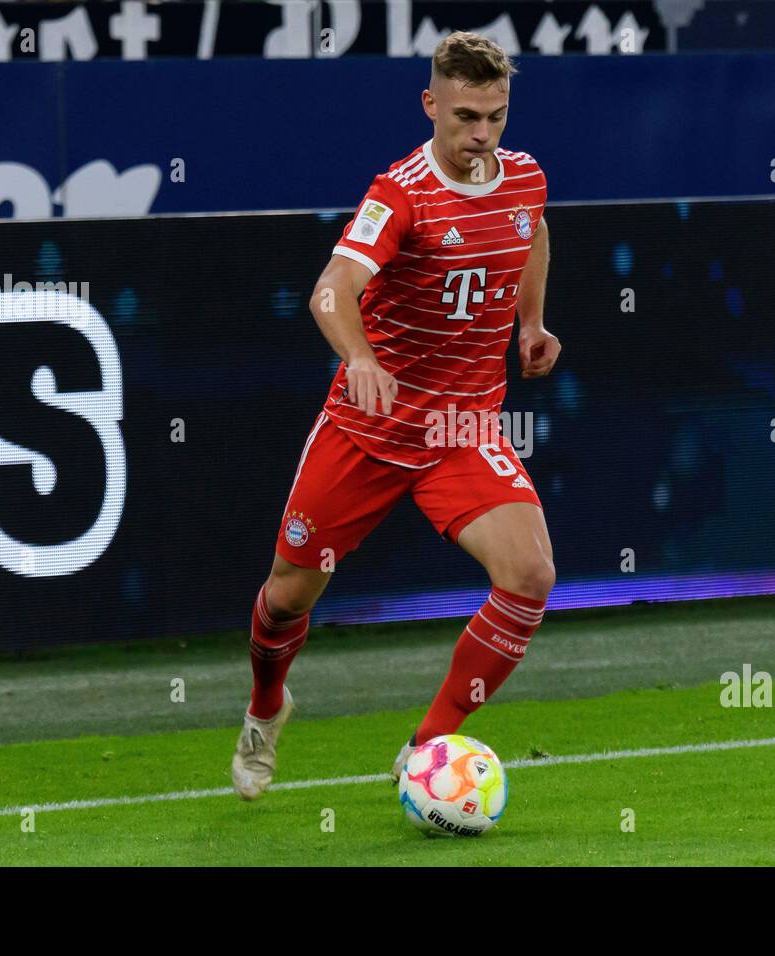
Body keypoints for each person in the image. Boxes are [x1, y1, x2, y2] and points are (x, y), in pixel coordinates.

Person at [232, 31, 560, 799]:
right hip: (369, 429)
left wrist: (531, 324)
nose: (481, 136)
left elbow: (533, 231)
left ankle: (427, 748)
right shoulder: (401, 194)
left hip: (462, 431)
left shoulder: (524, 179)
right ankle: (266, 706)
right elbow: (330, 290)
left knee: (531, 575)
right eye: (466, 117)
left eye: (497, 117)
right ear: (431, 104)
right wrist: (363, 360)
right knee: (286, 597)